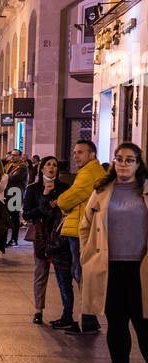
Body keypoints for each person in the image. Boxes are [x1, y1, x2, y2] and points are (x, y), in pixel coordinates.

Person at [80, 142, 148, 363]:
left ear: (138, 164)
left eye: (129, 160)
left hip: (141, 270)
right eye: (119, 159)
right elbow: (85, 225)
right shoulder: (102, 191)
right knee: (116, 324)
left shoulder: (145, 190)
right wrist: (87, 255)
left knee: (145, 326)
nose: (122, 164)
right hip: (109, 269)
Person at [54, 138, 105, 335]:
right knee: (80, 274)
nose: (75, 155)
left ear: (92, 155)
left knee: (81, 274)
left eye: (80, 152)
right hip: (81, 228)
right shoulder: (90, 171)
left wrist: (61, 201)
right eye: (74, 152)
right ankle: (89, 319)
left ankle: (88, 321)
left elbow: (70, 197)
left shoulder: (89, 172)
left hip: (80, 230)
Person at [22, 155, 74, 326]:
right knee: (40, 272)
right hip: (42, 235)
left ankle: (67, 313)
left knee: (64, 276)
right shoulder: (33, 189)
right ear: (42, 168)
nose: (52, 168)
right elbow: (27, 214)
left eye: (55, 165)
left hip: (60, 236)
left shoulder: (64, 187)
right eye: (48, 165)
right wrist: (45, 198)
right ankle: (38, 310)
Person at [6, 151, 28, 246]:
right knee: (8, 216)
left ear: (20, 157)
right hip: (9, 193)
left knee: (14, 217)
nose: (12, 157)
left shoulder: (22, 167)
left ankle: (14, 239)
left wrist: (5, 176)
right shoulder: (10, 166)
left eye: (15, 155)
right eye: (12, 155)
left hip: (16, 193)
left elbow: (14, 178)